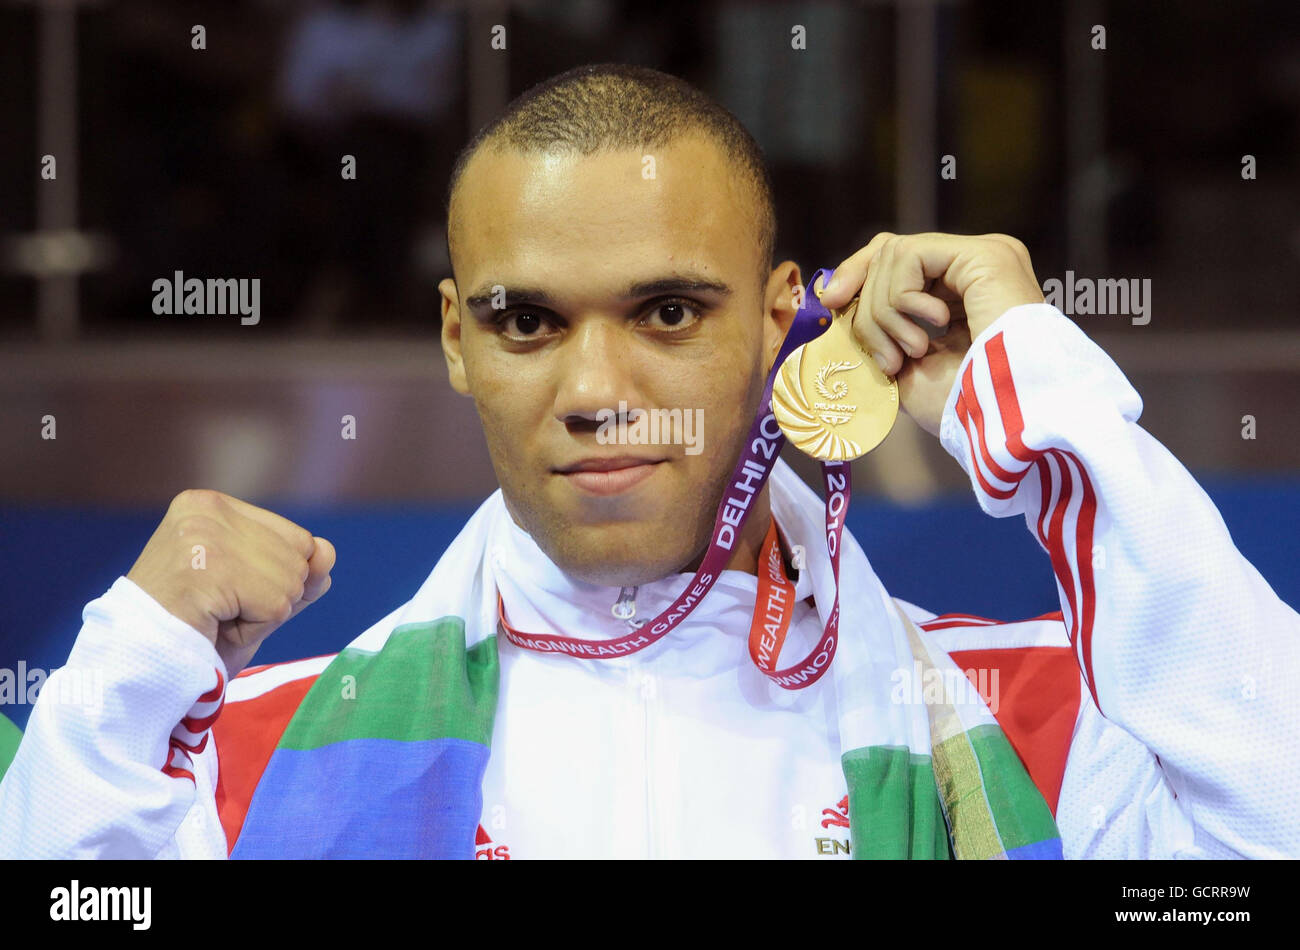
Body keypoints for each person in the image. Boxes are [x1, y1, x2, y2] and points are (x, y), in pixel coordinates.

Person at [1, 63, 1297, 860]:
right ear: (457, 341)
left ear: (784, 315)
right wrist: (126, 675)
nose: (596, 392)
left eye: (669, 312)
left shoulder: (1036, 724)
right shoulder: (241, 754)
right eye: (527, 321)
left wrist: (1044, 408)